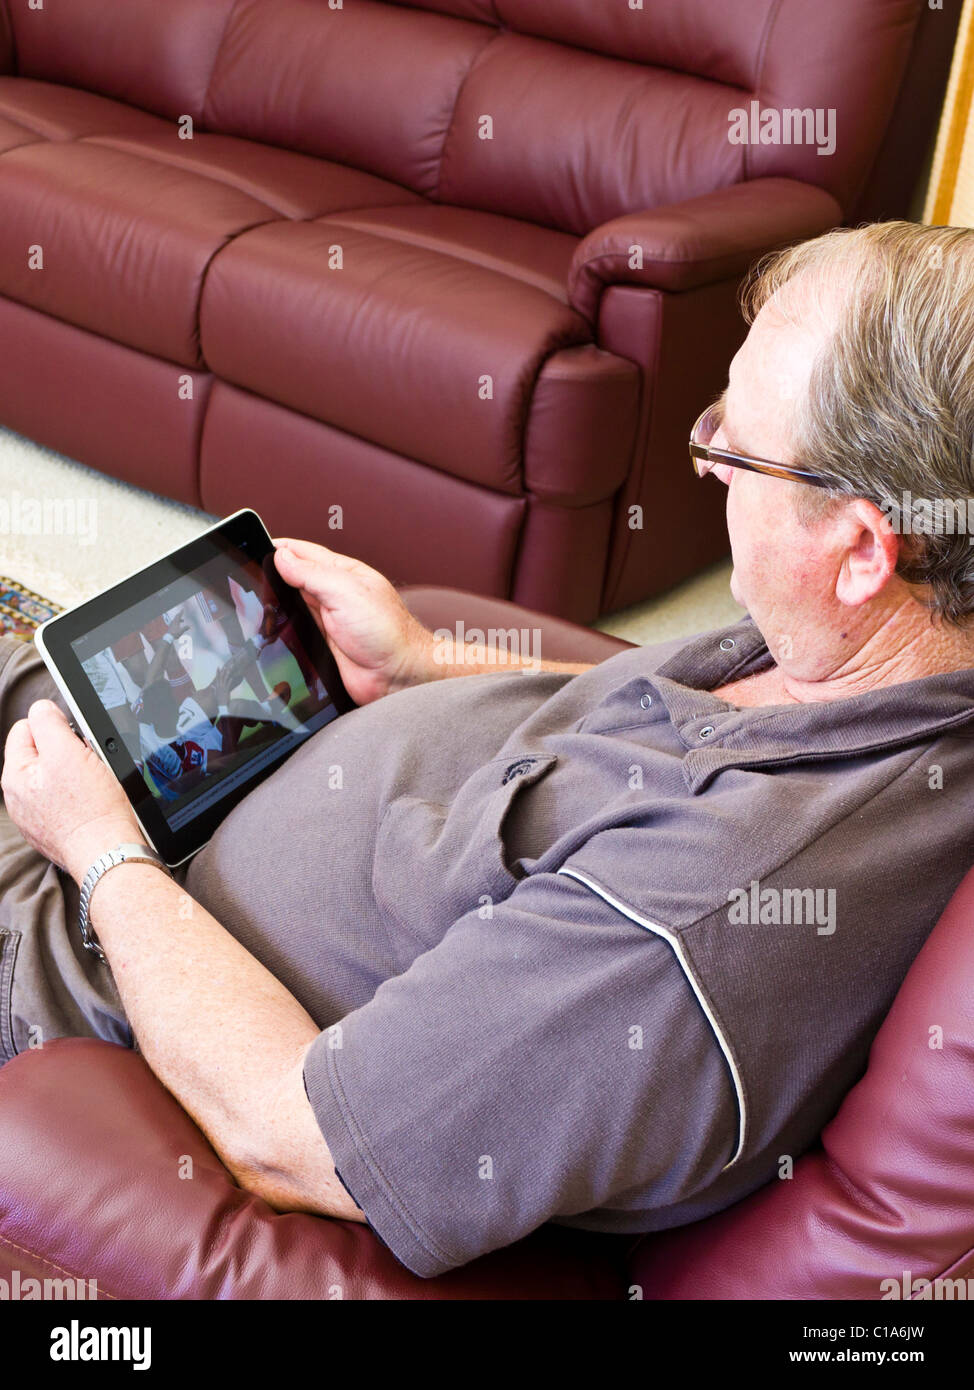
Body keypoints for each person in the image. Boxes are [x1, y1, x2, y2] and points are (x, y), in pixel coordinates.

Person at [3, 220, 974, 1280]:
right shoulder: (873, 661)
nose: (706, 467)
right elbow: (659, 726)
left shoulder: (686, 931)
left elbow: (300, 1140)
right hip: (210, 812)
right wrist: (423, 664)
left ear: (860, 554)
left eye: (733, 450)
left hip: (80, 959)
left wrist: (102, 854)